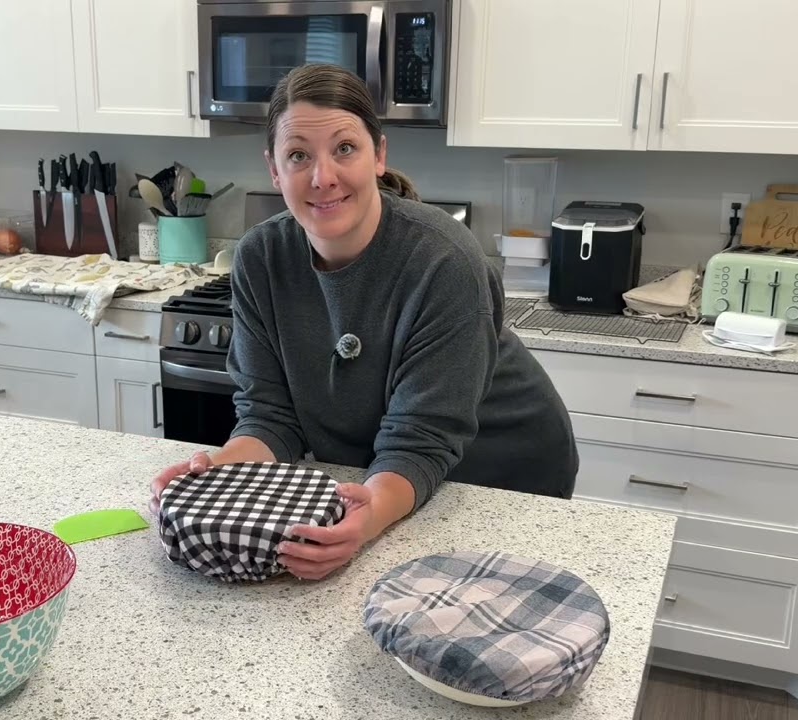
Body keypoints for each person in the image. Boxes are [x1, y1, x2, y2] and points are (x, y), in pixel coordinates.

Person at [150, 63, 577, 580]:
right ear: (274, 169)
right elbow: (269, 416)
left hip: (500, 473)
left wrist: (369, 516)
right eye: (298, 155)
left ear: (379, 155)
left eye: (344, 149)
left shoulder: (444, 261)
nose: (322, 176)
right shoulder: (262, 257)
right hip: (384, 475)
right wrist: (220, 472)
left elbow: (419, 441)